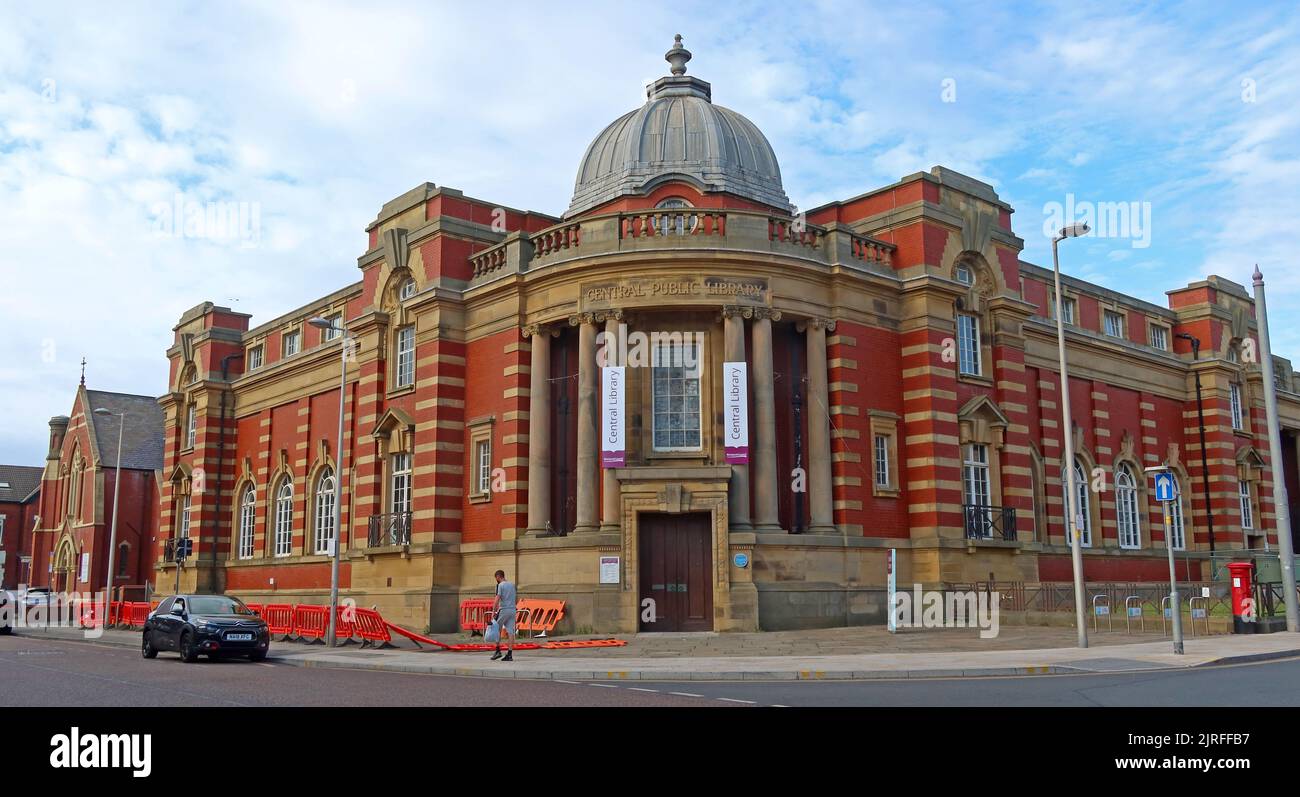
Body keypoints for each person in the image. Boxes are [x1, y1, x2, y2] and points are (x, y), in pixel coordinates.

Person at [490, 569, 517, 661]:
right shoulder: (512, 585)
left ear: (498, 577)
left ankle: (498, 650)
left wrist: (493, 612)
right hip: (513, 610)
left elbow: (497, 598)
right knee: (510, 632)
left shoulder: (500, 585)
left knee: (496, 628)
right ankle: (509, 654)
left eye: (496, 578)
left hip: (504, 609)